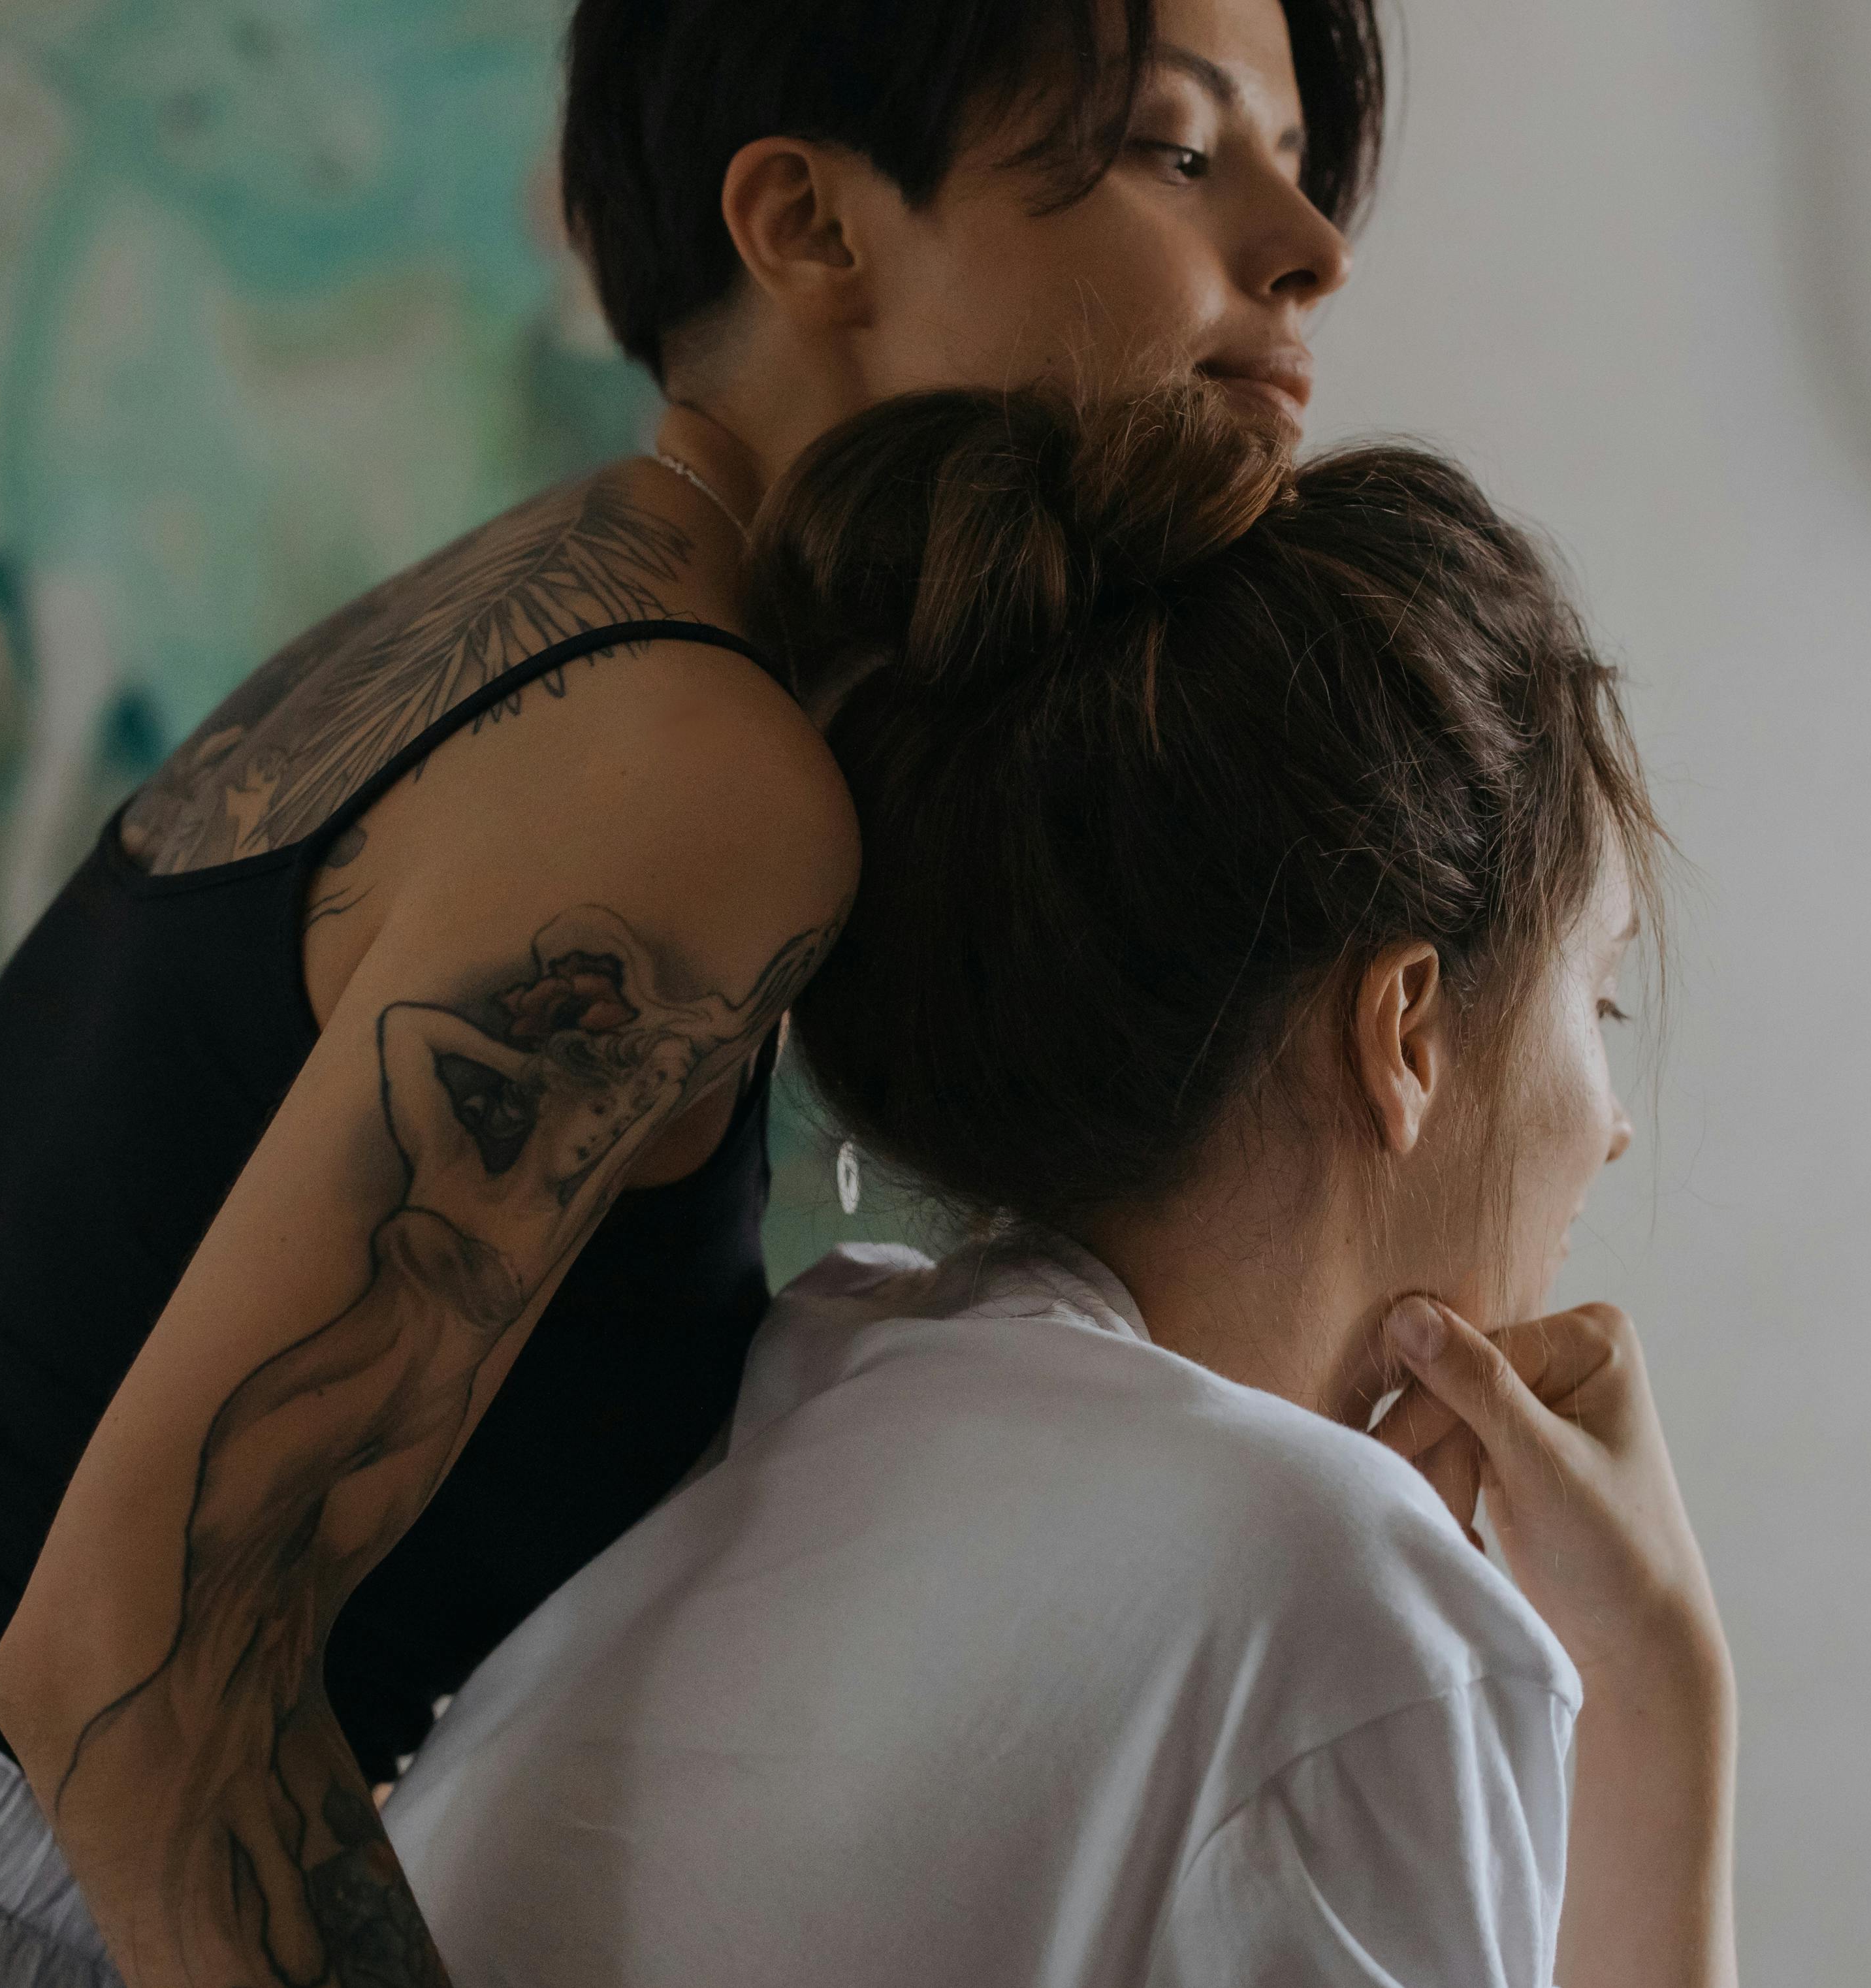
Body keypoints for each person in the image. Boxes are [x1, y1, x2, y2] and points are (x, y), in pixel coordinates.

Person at [0, 2, 1378, 1982]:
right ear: (807, 224)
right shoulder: (690, 774)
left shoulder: (550, 624)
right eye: (1178, 148)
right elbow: (134, 1682)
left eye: (1301, 161)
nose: (1310, 239)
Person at [378, 386, 1738, 1987]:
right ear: (1405, 1031)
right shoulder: (1339, 1603)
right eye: (1601, 1005)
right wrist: (1669, 1706)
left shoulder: (826, 1375)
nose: (1613, 1127)